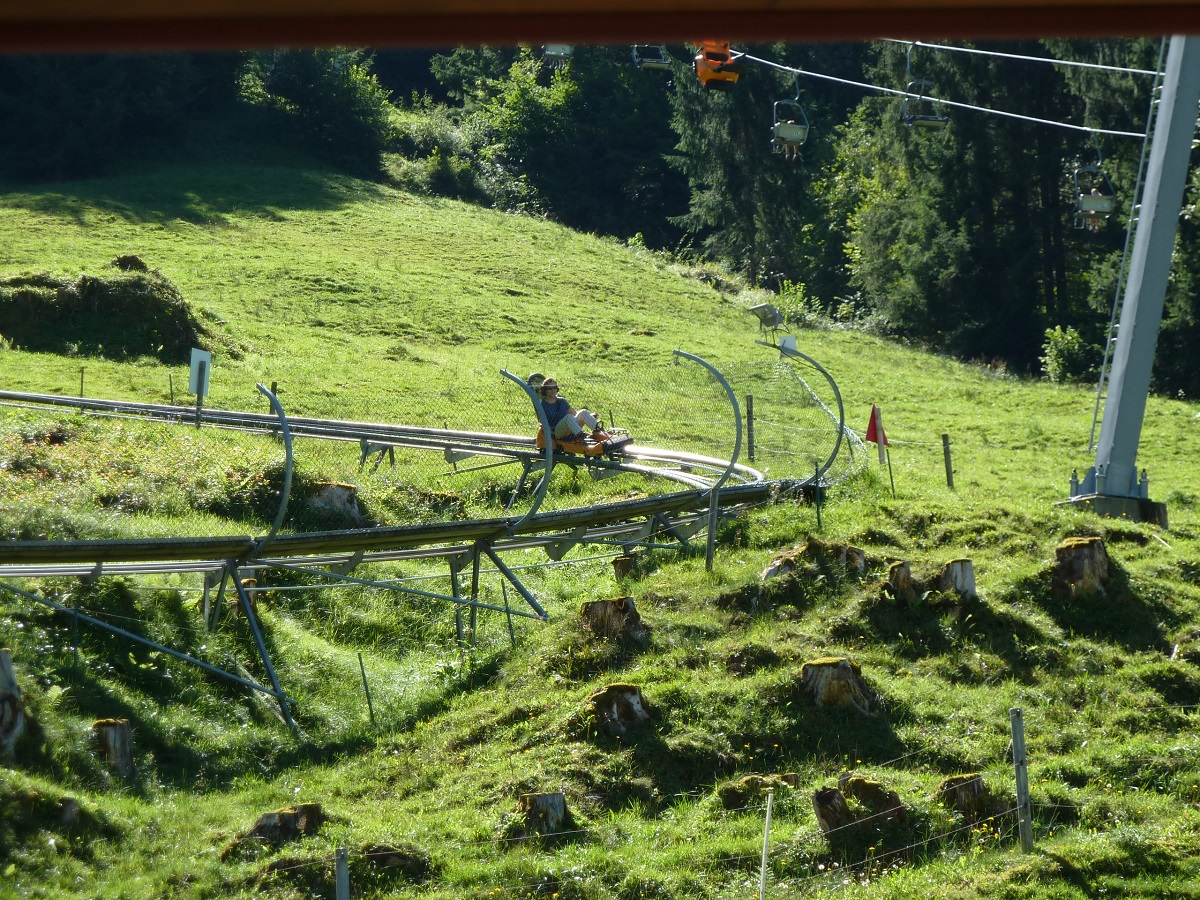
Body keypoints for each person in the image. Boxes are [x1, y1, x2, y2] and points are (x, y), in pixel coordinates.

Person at [537, 377, 605, 442]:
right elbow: (542, 423)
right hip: (557, 432)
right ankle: (583, 437)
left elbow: (575, 414)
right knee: (568, 417)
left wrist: (589, 416)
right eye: (549, 388)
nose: (553, 390)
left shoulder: (562, 401)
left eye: (554, 387)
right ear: (545, 390)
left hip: (570, 428)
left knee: (583, 412)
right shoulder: (543, 405)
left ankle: (601, 434)